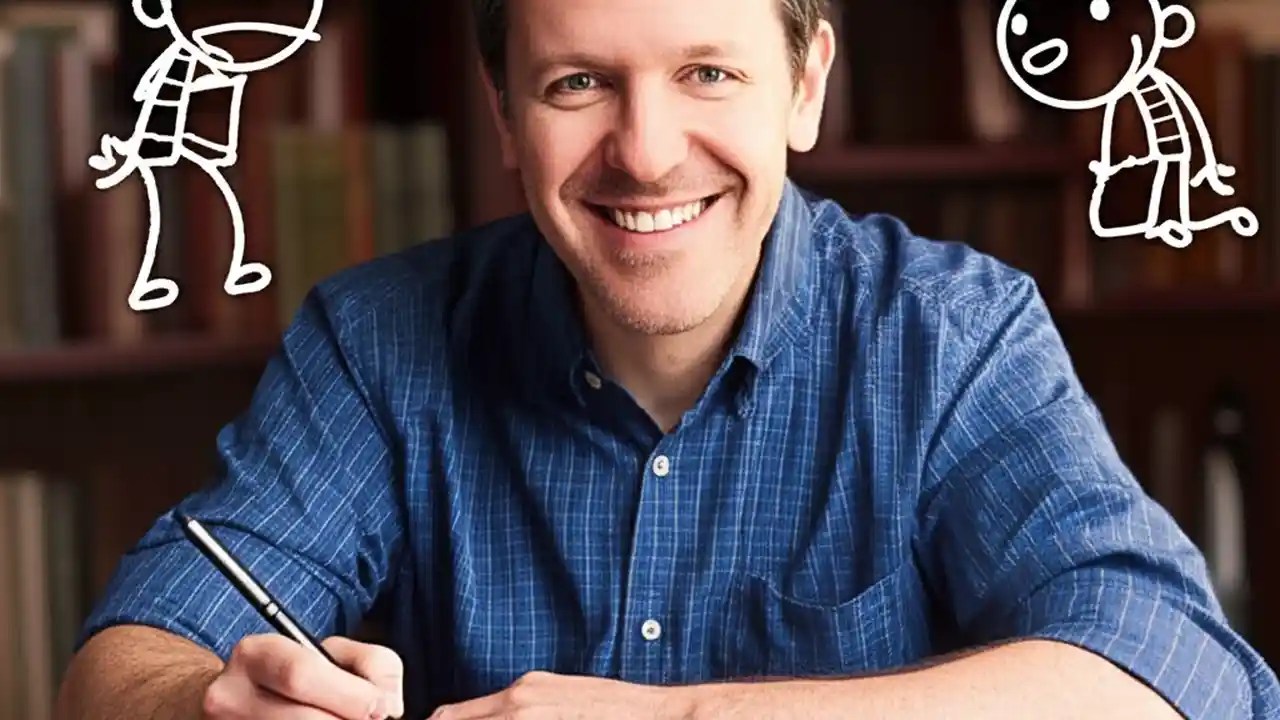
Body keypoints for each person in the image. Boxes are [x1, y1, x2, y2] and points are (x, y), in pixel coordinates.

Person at [56, 0, 1280, 718]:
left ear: (803, 87)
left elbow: (1173, 678)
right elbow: (122, 657)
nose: (643, 155)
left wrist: (687, 719)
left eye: (707, 73)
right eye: (578, 83)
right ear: (502, 115)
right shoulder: (375, 341)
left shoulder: (954, 336)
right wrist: (204, 704)